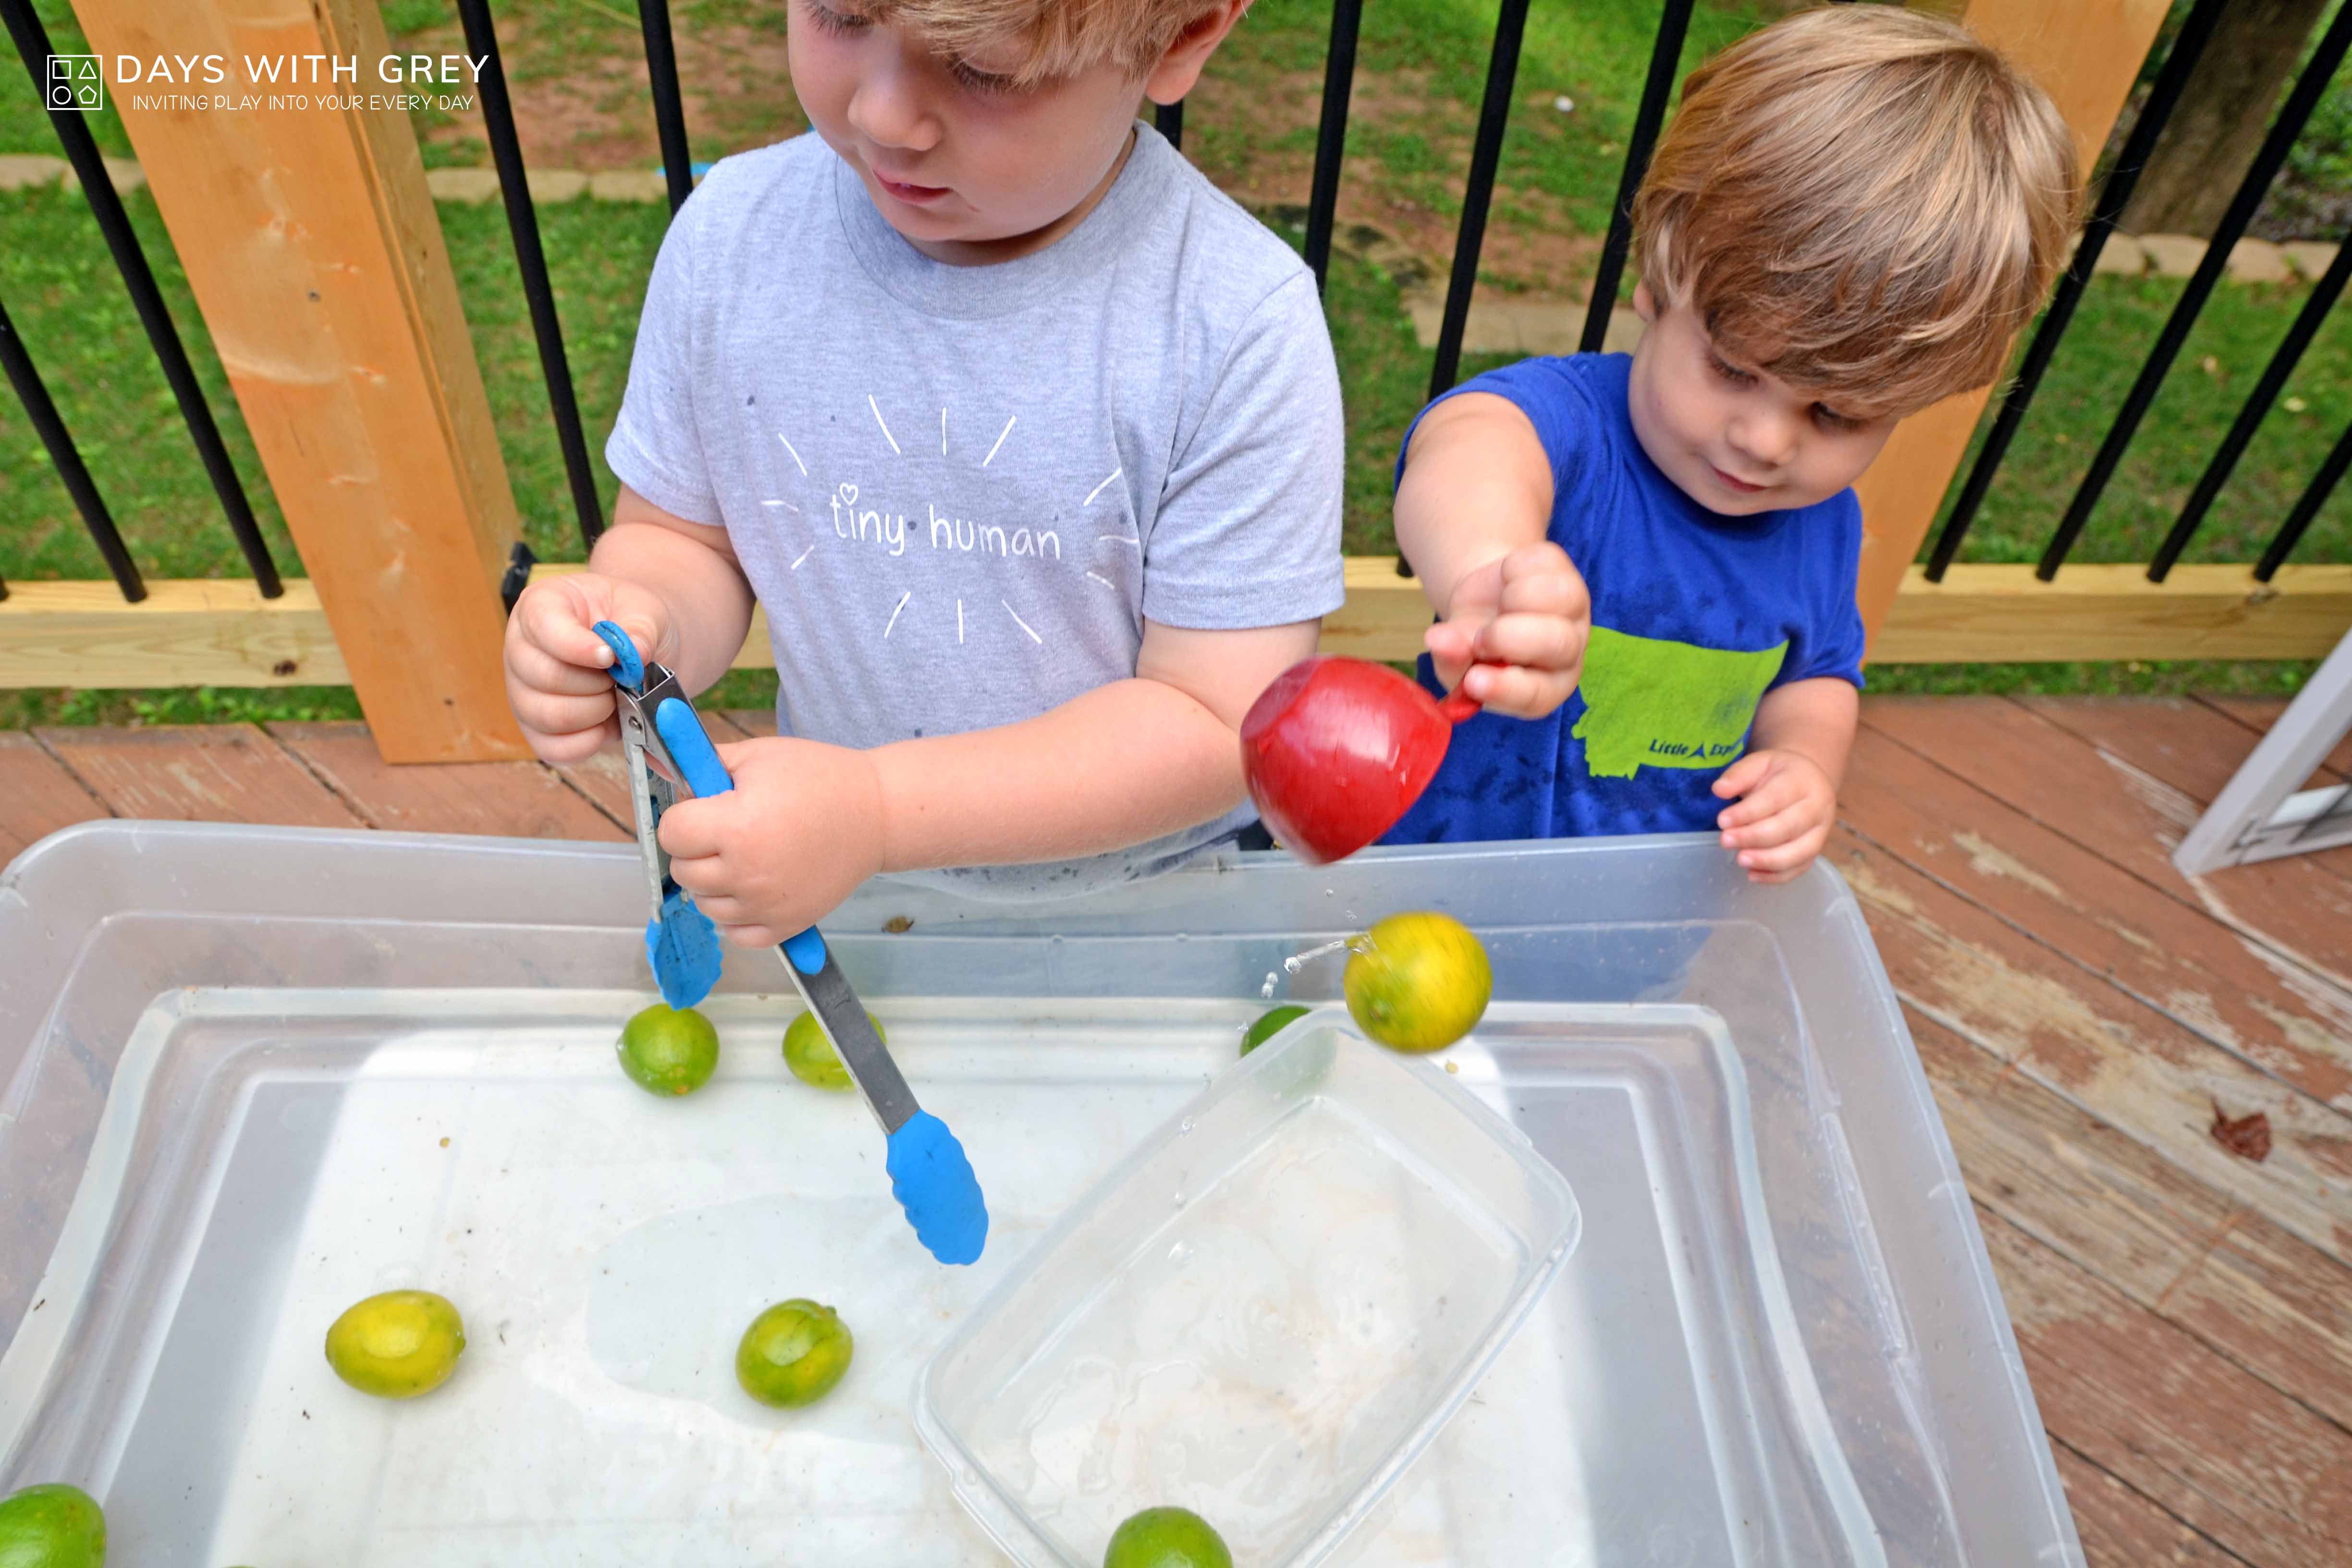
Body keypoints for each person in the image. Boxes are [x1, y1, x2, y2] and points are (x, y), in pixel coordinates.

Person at [503, 0, 1344, 942]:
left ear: (1184, 34)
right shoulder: (732, 241)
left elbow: (1214, 716)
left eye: (985, 69)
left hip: (1168, 901)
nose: (883, 116)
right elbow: (682, 540)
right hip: (844, 885)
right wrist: (636, 627)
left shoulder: (1233, 325)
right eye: (839, 14)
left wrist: (876, 810)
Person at [1380, 5, 2079, 882]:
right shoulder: (1567, 431)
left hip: (1649, 927)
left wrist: (1805, 766)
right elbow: (1470, 446)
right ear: (1661, 277)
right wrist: (1489, 570)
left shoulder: (1822, 526)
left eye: (1838, 416)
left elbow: (1817, 678)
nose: (1765, 441)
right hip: (1433, 880)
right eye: (1733, 369)